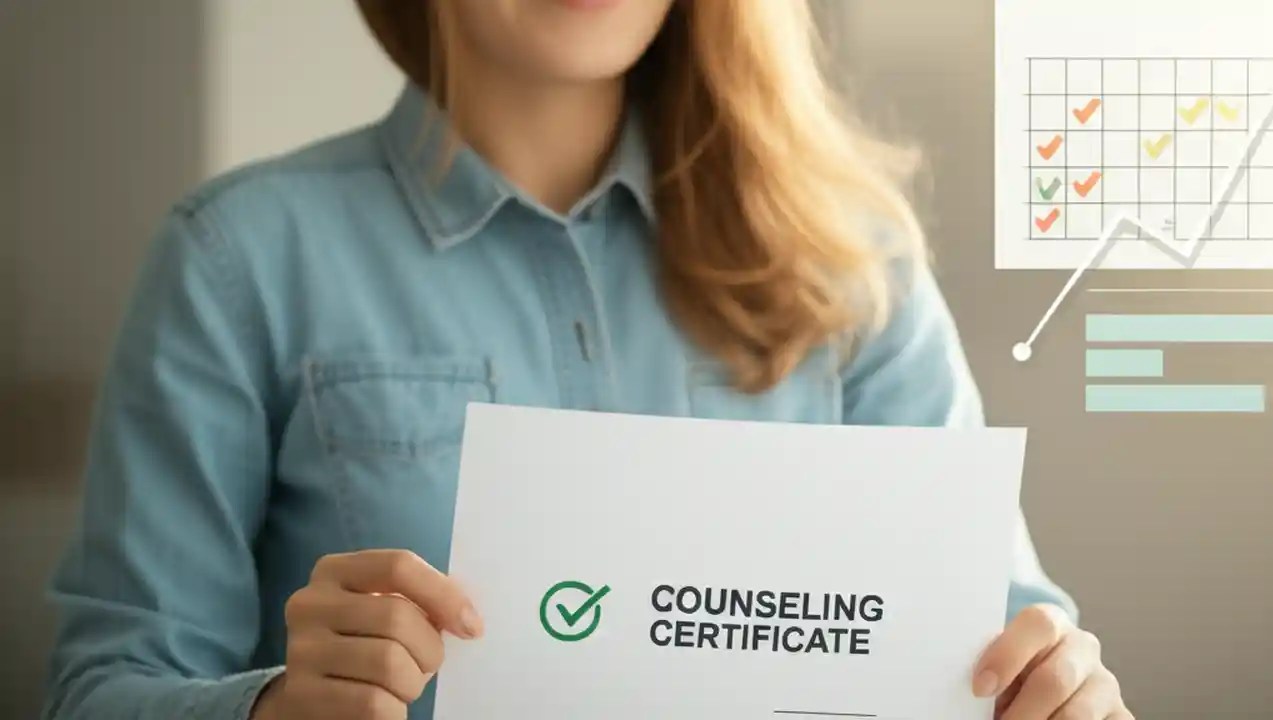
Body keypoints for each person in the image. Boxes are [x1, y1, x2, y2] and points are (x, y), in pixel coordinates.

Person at [41, 1, 1131, 718]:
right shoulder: (237, 259)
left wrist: (1061, 692)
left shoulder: (857, 265)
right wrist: (272, 706)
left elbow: (1010, 642)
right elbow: (98, 690)